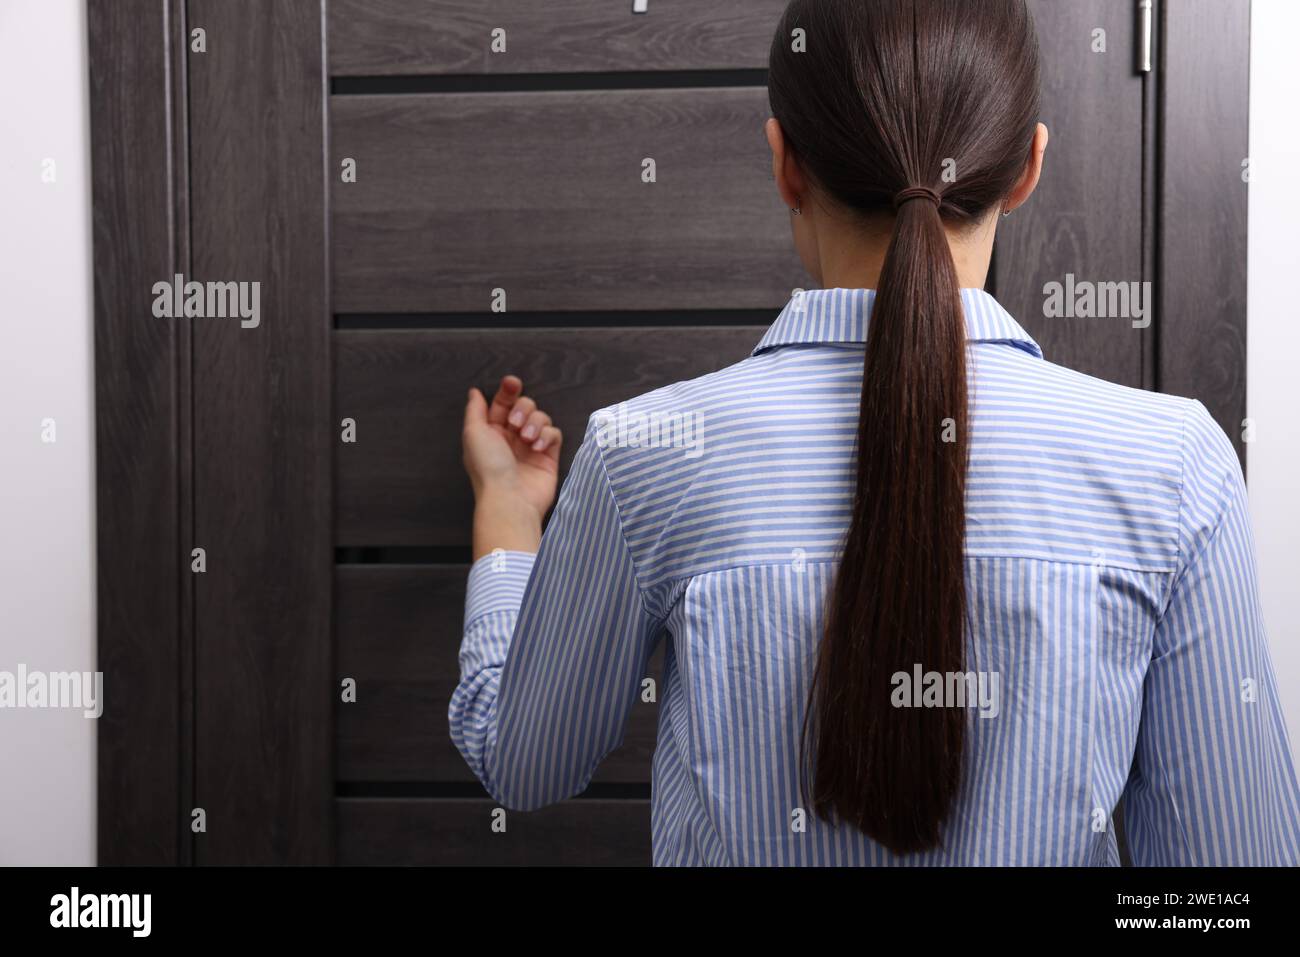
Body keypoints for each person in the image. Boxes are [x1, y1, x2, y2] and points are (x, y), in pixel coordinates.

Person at [450, 0, 1300, 865]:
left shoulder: (644, 454)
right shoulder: (1175, 466)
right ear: (1026, 169)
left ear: (784, 164)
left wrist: (511, 522)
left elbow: (523, 764)